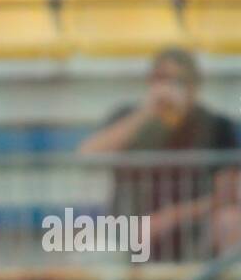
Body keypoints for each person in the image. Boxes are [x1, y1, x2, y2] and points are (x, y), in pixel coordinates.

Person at [79, 46, 241, 268]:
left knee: (231, 222)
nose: (167, 88)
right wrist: (147, 113)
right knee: (70, 249)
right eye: (160, 79)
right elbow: (87, 155)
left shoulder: (217, 127)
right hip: (128, 228)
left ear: (194, 86)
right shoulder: (130, 117)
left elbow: (226, 195)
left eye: (177, 81)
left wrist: (169, 218)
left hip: (194, 232)